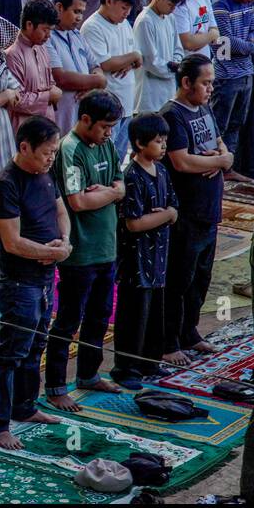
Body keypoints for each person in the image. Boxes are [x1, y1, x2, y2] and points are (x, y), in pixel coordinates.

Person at [0, 115, 67, 450]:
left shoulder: (46, 174)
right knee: (11, 353)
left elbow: (61, 212)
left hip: (45, 278)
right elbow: (12, 241)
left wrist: (65, 243)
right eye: (46, 152)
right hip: (20, 283)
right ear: (24, 147)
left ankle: (25, 406)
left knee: (36, 346)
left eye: (54, 152)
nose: (51, 158)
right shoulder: (6, 184)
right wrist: (50, 253)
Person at [46, 91, 126, 409]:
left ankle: (89, 374)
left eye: (112, 127)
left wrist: (106, 192)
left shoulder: (106, 144)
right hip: (80, 252)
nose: (109, 133)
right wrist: (112, 193)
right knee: (68, 320)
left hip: (106, 247)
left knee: (100, 315)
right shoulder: (70, 149)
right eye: (105, 126)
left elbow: (121, 185)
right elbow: (78, 201)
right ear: (85, 120)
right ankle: (55, 386)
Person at [161, 54, 230, 365]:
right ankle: (169, 342)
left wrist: (221, 156)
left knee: (201, 278)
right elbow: (181, 161)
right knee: (179, 280)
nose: (210, 88)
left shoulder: (203, 107)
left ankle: (190, 332)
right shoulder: (172, 115)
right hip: (186, 213)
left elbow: (219, 142)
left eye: (212, 82)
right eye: (205, 83)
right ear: (186, 82)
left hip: (208, 210)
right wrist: (218, 160)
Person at [112, 112, 177, 390]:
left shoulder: (161, 171)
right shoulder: (133, 176)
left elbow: (174, 207)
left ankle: (150, 361)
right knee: (133, 315)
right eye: (158, 141)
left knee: (154, 313)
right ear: (140, 143)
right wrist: (165, 215)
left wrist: (166, 214)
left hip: (158, 257)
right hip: (136, 260)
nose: (163, 146)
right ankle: (126, 367)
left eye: (164, 141)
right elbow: (134, 223)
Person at [81, 0, 141, 160]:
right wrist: (131, 57)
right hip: (106, 110)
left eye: (129, 8)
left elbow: (137, 58)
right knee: (104, 159)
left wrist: (129, 59)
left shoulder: (124, 24)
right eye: (124, 7)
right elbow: (105, 63)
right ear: (109, 1)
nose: (127, 13)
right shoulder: (93, 27)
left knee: (119, 158)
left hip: (127, 104)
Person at [211, 0, 254, 165]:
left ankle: (228, 165)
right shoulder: (220, 4)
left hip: (245, 72)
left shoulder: (247, 4)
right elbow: (226, 42)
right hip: (226, 75)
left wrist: (248, 45)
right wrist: (251, 47)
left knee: (237, 123)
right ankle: (214, 164)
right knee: (220, 125)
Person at [46, 0, 107, 134]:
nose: (80, 18)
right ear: (59, 8)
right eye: (76, 11)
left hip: (81, 120)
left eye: (82, 12)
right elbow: (61, 78)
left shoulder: (77, 35)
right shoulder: (47, 37)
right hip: (60, 120)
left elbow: (96, 67)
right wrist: (97, 81)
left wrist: (93, 84)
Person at [5, 0, 62, 129]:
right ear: (29, 25)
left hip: (47, 123)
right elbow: (15, 99)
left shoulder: (41, 48)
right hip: (25, 128)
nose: (48, 35)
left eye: (50, 30)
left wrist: (53, 90)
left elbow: (50, 83)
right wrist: (48, 96)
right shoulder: (12, 55)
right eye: (45, 30)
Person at [133, 0, 186, 115]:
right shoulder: (145, 21)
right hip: (149, 96)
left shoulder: (170, 18)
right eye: (170, 4)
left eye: (175, 5)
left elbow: (178, 48)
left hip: (169, 92)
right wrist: (174, 68)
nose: (173, 9)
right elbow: (151, 62)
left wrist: (176, 62)